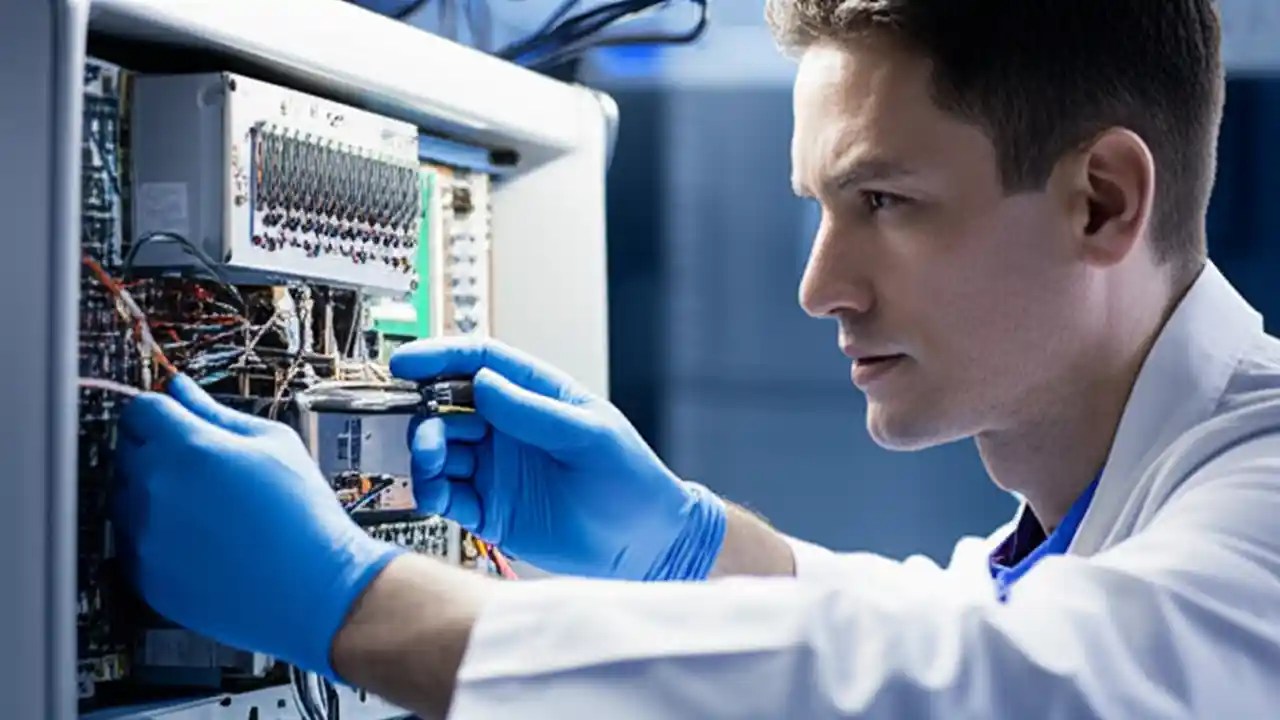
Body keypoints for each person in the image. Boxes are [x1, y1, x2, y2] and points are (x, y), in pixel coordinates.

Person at [113, 1, 1280, 718]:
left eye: (882, 199)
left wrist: (356, 606)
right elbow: (978, 622)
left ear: (1099, 202)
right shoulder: (1120, 525)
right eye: (819, 206)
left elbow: (999, 690)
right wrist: (693, 547)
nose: (820, 285)